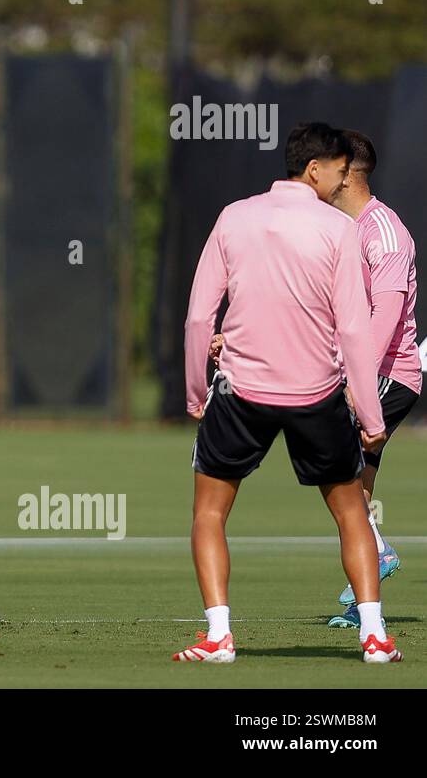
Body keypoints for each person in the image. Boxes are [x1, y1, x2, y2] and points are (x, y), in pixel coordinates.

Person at [178, 122, 399, 664]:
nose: (343, 182)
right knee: (351, 513)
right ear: (314, 169)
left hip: (241, 394)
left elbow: (199, 315)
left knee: (209, 514)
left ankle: (218, 637)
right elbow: (352, 328)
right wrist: (371, 415)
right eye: (340, 172)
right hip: (316, 395)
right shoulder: (337, 229)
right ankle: (372, 636)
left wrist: (194, 394)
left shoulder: (234, 216)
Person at [324, 130, 419, 628]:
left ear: (343, 170)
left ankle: (376, 557)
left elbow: (386, 315)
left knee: (335, 474)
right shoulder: (347, 228)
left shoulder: (383, 230)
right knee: (351, 483)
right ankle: (366, 595)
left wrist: (355, 379)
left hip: (387, 373)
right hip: (366, 371)